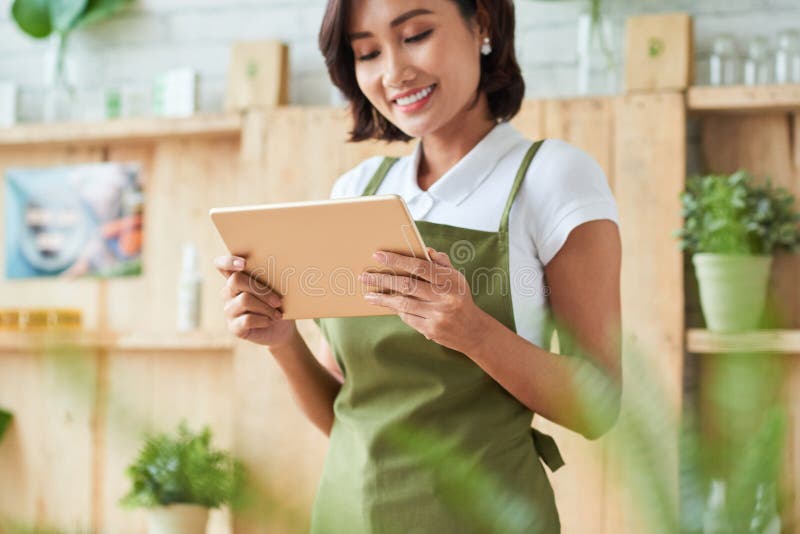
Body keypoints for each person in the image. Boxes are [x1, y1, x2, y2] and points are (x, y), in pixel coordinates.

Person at [215, 0, 623, 532]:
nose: (393, 73)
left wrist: (474, 332)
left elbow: (601, 406)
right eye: (366, 52)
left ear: (481, 24)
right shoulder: (357, 191)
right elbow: (349, 413)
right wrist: (283, 342)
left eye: (416, 34)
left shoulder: (552, 178)